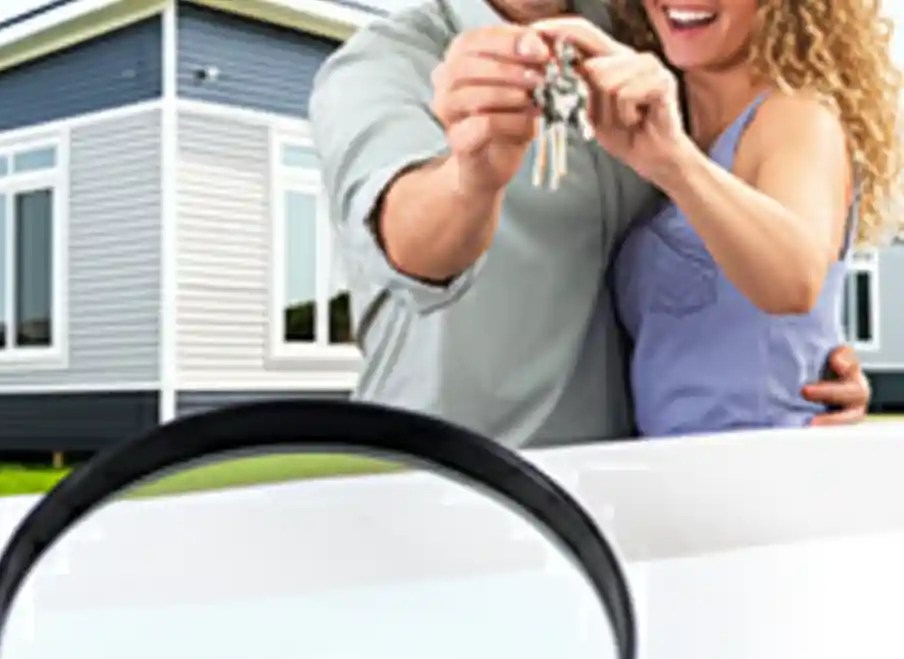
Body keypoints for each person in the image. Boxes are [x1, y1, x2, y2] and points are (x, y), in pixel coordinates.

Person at [306, 0, 873, 449]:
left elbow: (785, 260)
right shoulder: (382, 64)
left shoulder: (641, 48)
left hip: (621, 487)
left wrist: (801, 360)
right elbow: (410, 239)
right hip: (449, 473)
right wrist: (472, 178)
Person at [530, 2, 900, 436]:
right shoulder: (666, 129)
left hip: (766, 473)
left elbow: (796, 279)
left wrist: (675, 163)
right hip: (676, 475)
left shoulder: (795, 118)